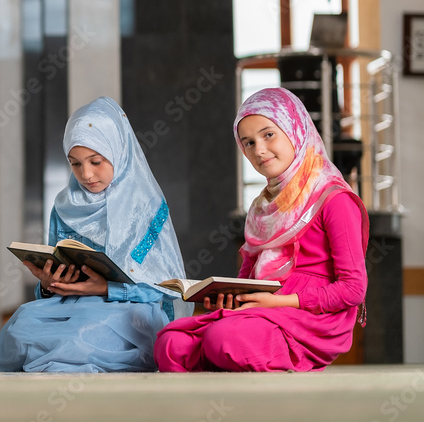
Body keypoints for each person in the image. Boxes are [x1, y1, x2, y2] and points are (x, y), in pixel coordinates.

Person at [154, 87, 369, 372]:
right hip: (260, 309)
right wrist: (227, 296)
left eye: (268, 134)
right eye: (248, 143)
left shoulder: (334, 199)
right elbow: (249, 278)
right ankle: (233, 355)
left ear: (294, 129)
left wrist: (278, 303)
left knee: (223, 339)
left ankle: (239, 353)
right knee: (169, 342)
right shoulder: (261, 207)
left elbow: (353, 289)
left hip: (308, 317)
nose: (259, 150)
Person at [0, 97, 190, 372]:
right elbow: (59, 260)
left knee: (79, 340)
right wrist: (49, 283)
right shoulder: (65, 205)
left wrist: (106, 288)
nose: (86, 174)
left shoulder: (145, 205)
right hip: (72, 302)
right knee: (21, 325)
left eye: (96, 161)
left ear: (119, 152)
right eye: (75, 164)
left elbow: (165, 286)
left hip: (130, 310)